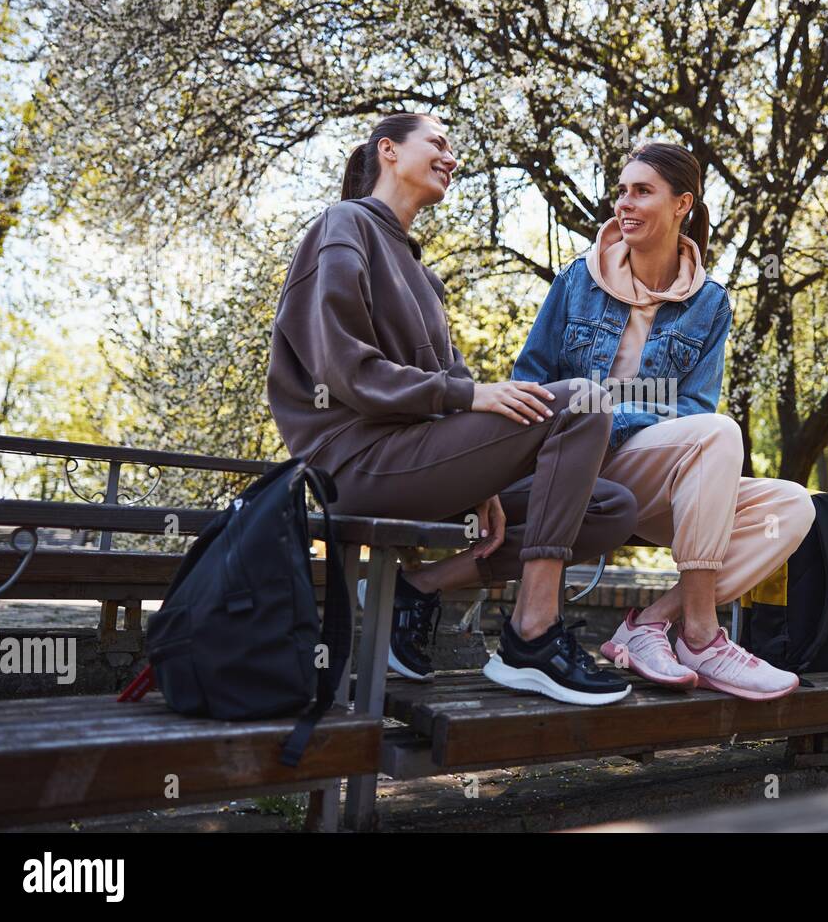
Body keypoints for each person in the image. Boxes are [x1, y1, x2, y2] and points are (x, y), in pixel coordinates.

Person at [266, 112, 637, 706]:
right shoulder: (344, 226)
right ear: (388, 151)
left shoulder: (420, 273)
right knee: (585, 399)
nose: (451, 156)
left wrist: (483, 483)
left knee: (612, 507)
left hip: (415, 460)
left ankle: (416, 591)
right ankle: (532, 635)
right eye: (437, 144)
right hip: (355, 463)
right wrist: (468, 397)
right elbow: (344, 367)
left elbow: (450, 384)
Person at [513, 142, 815, 701]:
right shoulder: (577, 280)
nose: (624, 203)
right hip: (577, 471)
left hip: (659, 480)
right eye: (622, 190)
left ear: (682, 204)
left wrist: (606, 408)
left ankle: (649, 624)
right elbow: (531, 383)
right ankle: (701, 634)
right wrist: (603, 416)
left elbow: (694, 408)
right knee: (720, 432)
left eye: (642, 191)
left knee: (794, 505)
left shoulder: (710, 304)